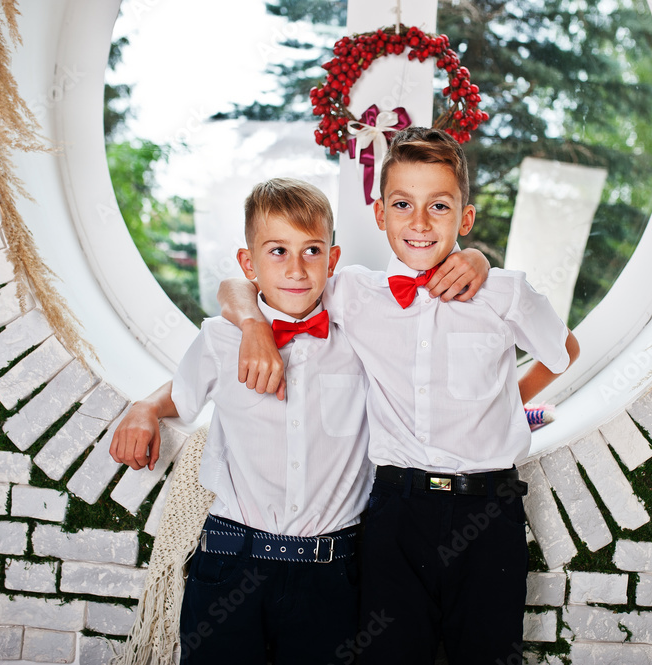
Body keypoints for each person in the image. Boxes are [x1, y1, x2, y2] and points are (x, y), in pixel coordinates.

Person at [217, 128, 580, 665]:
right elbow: (244, 285)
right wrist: (251, 325)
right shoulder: (353, 294)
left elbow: (564, 349)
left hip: (489, 512)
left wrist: (510, 403)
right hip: (394, 513)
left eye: (439, 206)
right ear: (379, 213)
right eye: (403, 204)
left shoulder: (504, 293)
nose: (420, 222)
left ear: (466, 217)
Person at [109, 177, 489, 664]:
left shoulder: (362, 333)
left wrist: (475, 258)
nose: (295, 269)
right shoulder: (224, 338)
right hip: (229, 561)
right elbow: (181, 396)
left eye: (312, 251)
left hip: (329, 573)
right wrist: (144, 408)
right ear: (249, 264)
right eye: (277, 252)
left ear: (332, 261)